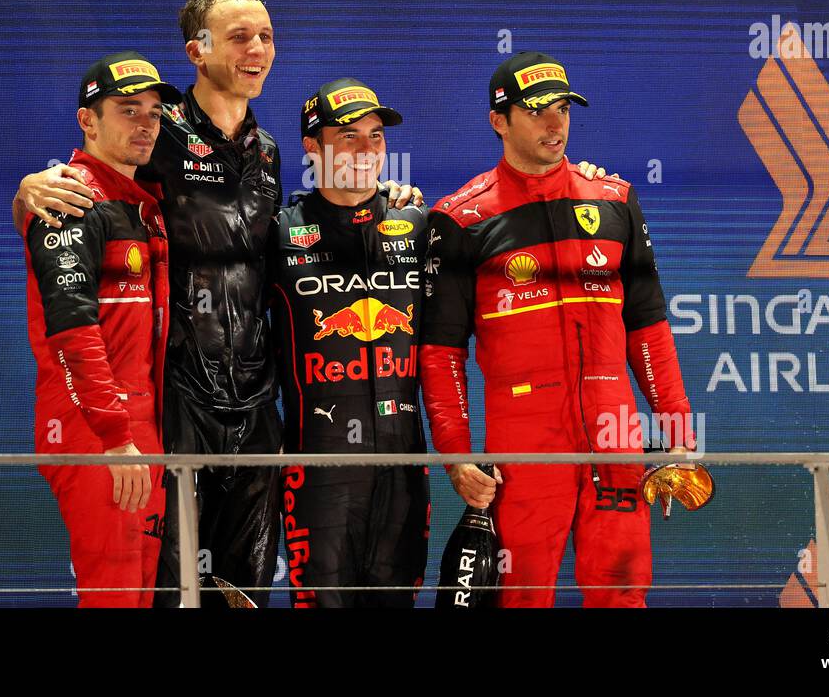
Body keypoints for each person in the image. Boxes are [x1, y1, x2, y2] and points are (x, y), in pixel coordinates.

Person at [418, 51, 696, 608]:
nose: (556, 123)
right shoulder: (459, 219)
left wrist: (678, 436)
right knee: (519, 596)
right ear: (499, 120)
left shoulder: (614, 200)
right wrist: (456, 453)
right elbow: (440, 350)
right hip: (523, 434)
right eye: (538, 111)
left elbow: (648, 328)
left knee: (623, 590)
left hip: (615, 427)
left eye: (564, 108)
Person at [23, 52, 182, 607]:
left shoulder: (138, 202)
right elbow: (71, 330)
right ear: (87, 119)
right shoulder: (70, 196)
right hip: (98, 428)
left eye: (155, 112)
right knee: (112, 598)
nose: (145, 124)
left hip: (139, 426)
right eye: (127, 109)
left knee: (137, 596)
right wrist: (116, 437)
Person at [270, 78, 429, 607]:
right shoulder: (277, 231)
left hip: (404, 462)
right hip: (317, 468)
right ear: (312, 148)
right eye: (348, 136)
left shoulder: (418, 223)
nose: (366, 150)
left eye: (376, 136)